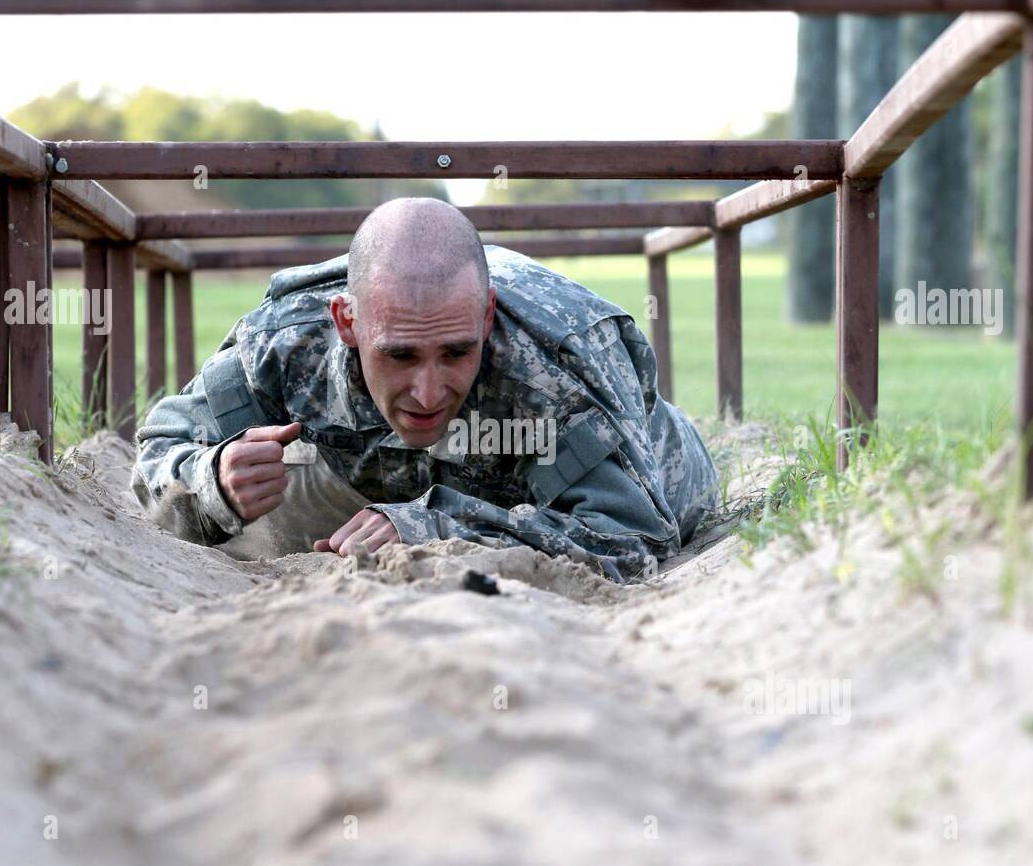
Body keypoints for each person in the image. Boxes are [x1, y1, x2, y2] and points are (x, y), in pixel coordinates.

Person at [131, 198, 719, 582]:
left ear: (487, 318)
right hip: (380, 474)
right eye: (400, 354)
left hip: (639, 472)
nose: (429, 391)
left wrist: (433, 525)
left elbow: (636, 538)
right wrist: (215, 481)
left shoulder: (556, 368)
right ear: (347, 323)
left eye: (456, 353)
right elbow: (160, 444)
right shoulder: (287, 343)